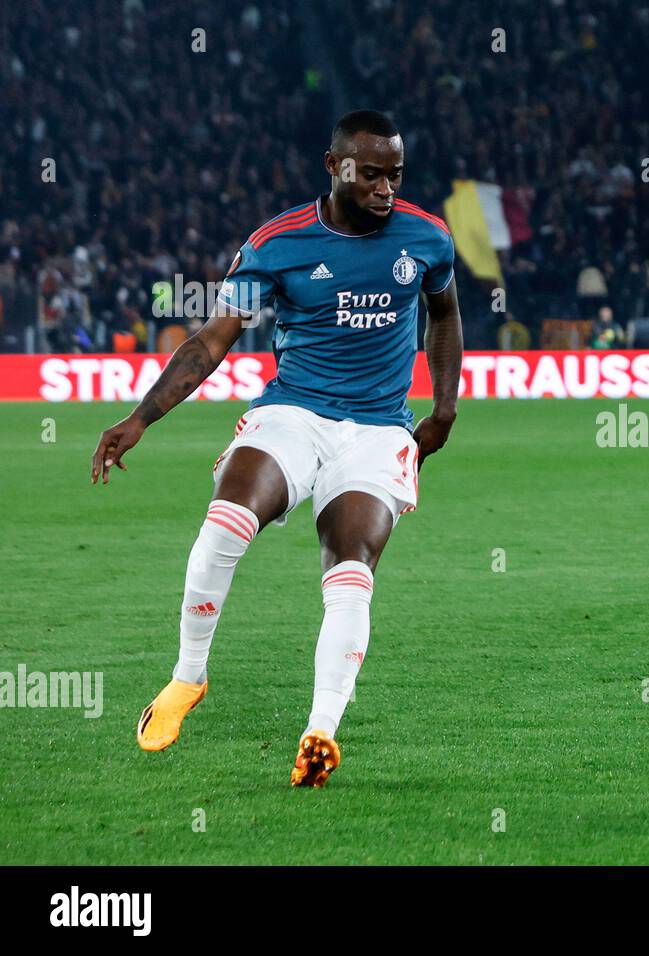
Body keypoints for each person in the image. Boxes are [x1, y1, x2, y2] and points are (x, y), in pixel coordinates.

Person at [90, 110, 463, 788]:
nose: (386, 189)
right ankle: (188, 677)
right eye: (371, 174)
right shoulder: (277, 242)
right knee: (228, 517)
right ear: (335, 167)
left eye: (396, 175)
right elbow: (211, 341)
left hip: (379, 428)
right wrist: (140, 418)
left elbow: (444, 315)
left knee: (352, 566)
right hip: (293, 411)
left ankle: (320, 732)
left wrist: (444, 408)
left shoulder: (428, 238)